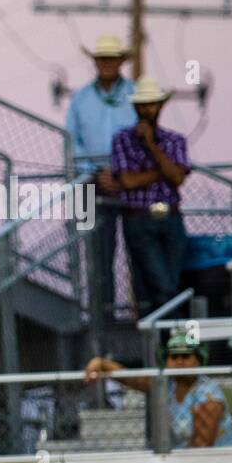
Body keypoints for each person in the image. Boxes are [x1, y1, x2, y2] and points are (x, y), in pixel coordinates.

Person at [65, 34, 136, 319]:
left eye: (111, 58)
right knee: (98, 255)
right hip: (91, 186)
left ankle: (142, 313)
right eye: (102, 59)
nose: (107, 63)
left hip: (131, 183)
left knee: (139, 250)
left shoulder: (135, 93)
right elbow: (72, 141)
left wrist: (122, 173)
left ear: (120, 61)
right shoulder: (80, 99)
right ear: (95, 62)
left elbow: (144, 136)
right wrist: (95, 173)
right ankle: (102, 316)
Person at [110, 75, 192, 316]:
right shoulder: (122, 140)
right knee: (162, 287)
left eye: (152, 104)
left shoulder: (174, 140)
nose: (148, 109)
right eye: (143, 104)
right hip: (139, 220)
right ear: (136, 107)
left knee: (167, 285)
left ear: (160, 106)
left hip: (171, 219)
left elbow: (177, 178)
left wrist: (152, 146)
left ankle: (163, 343)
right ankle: (175, 341)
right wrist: (163, 171)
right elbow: (127, 181)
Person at [83, 332, 232, 448]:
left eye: (185, 356)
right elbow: (133, 379)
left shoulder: (207, 395)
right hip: (185, 459)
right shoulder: (168, 385)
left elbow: (202, 446)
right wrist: (101, 363)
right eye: (174, 357)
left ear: (198, 360)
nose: (179, 362)